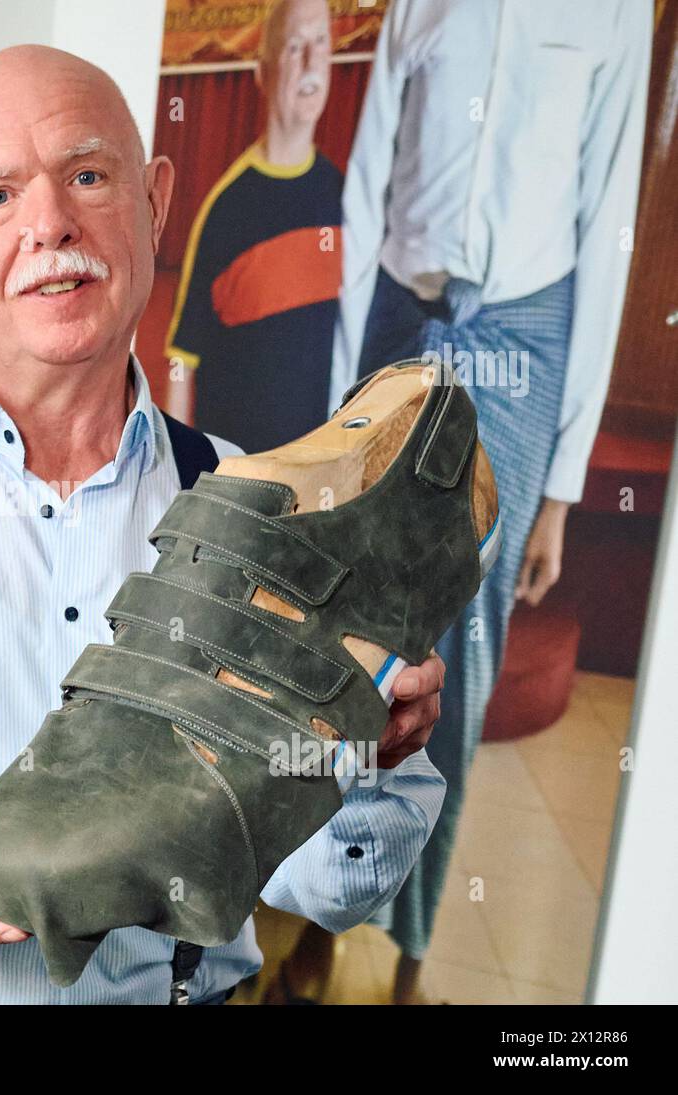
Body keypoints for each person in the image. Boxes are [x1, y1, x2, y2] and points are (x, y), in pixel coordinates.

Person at [0, 44, 449, 1005]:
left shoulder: (278, 521)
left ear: (153, 204)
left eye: (86, 175)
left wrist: (360, 752)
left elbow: (330, 887)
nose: (51, 224)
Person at [330, 0, 649, 1003]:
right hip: (399, 314)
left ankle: (415, 952)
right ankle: (324, 918)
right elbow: (364, 191)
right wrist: (330, 427)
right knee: (351, 648)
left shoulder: (616, 13)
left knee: (459, 667)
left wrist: (559, 486)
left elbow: (606, 229)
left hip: (526, 331)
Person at [164, 0, 341, 452]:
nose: (310, 61)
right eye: (294, 46)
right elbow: (182, 360)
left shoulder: (344, 199)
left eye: (320, 43)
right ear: (262, 72)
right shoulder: (225, 208)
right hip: (240, 481)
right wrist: (186, 479)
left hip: (320, 481)